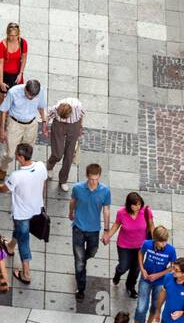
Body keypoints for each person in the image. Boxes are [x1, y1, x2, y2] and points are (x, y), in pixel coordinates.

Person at [0, 143, 47, 286]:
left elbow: (4, 189)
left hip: (22, 214)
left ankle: (26, 273)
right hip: (36, 209)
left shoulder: (16, 176)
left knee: (24, 241)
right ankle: (9, 246)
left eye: (16, 154)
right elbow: (43, 182)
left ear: (20, 157)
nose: (15, 156)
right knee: (20, 232)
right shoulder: (40, 166)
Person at [69, 162, 111, 302]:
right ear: (87, 176)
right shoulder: (78, 188)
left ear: (99, 177)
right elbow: (73, 201)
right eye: (91, 178)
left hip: (94, 230)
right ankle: (81, 288)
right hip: (79, 228)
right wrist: (71, 212)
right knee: (80, 263)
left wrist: (106, 231)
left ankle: (81, 260)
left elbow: (106, 210)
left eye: (96, 179)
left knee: (92, 252)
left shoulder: (105, 191)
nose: (94, 182)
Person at [105, 191, 154, 297]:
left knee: (135, 269)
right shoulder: (121, 213)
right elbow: (116, 225)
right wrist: (107, 236)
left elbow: (151, 226)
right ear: (129, 204)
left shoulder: (146, 211)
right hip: (124, 245)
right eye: (135, 205)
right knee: (123, 266)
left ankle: (130, 287)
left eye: (139, 204)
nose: (138, 207)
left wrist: (155, 241)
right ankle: (118, 274)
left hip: (140, 246)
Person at [134, 225, 176, 323]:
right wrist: (142, 269)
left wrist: (158, 275)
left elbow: (172, 268)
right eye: (161, 242)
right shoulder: (147, 244)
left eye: (165, 241)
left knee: (155, 305)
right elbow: (140, 253)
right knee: (141, 307)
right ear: (155, 240)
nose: (164, 244)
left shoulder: (171, 250)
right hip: (146, 279)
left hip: (160, 282)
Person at [0, 77, 48, 175]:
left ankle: (22, 173)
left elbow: (41, 107)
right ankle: (3, 168)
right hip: (15, 124)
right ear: (25, 88)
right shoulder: (13, 92)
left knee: (26, 154)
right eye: (28, 95)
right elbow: (4, 110)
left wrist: (44, 122)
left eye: (33, 97)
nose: (30, 98)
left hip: (31, 125)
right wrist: (2, 129)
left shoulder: (40, 91)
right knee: (9, 154)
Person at [46, 96, 84, 192]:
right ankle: (49, 166)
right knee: (57, 153)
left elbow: (82, 115)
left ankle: (63, 180)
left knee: (69, 155)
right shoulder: (56, 108)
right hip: (59, 125)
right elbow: (48, 117)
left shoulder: (78, 106)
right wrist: (45, 127)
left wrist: (80, 127)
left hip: (74, 124)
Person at [0, 21, 28, 95]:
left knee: (17, 95)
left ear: (18, 34)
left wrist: (20, 73)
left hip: (17, 74)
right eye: (11, 35)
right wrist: (1, 82)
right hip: (5, 74)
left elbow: (24, 59)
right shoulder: (2, 45)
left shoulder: (23, 43)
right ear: (7, 34)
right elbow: (1, 64)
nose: (13, 38)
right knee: (2, 96)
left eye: (16, 35)